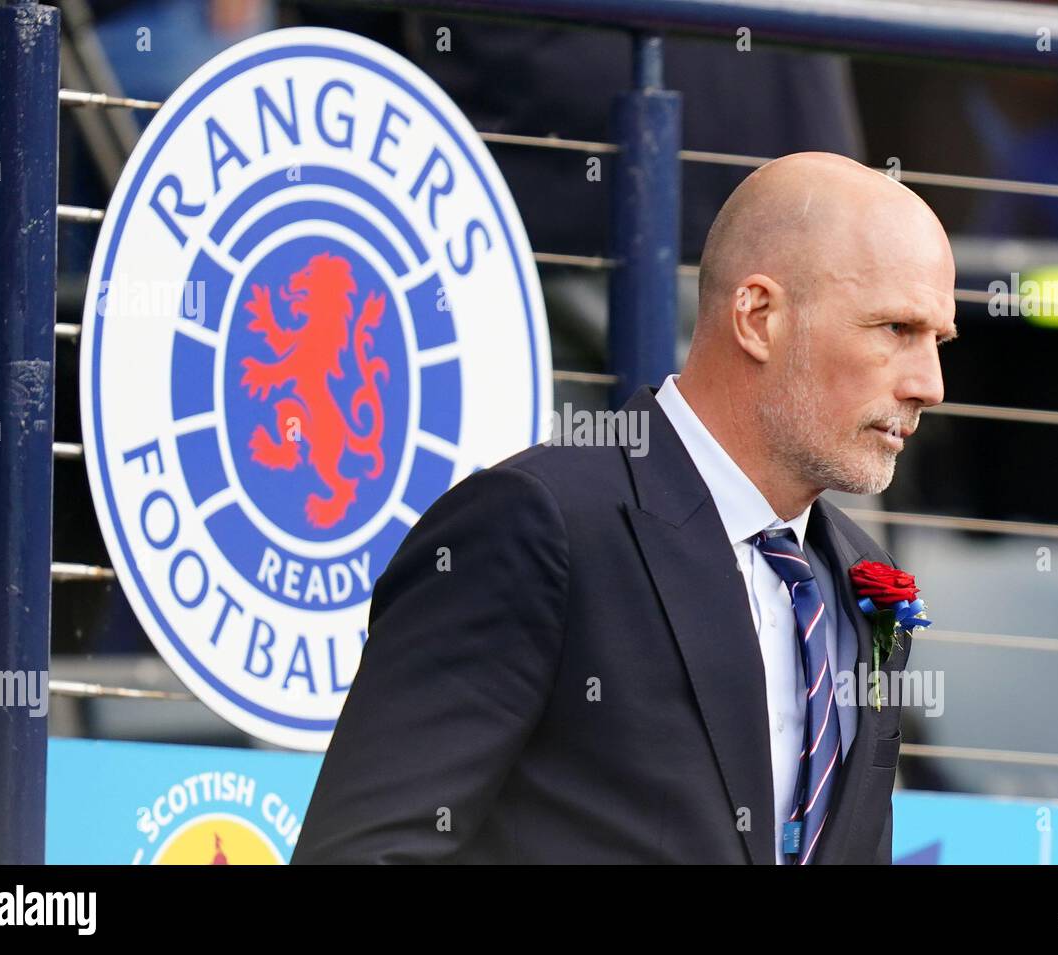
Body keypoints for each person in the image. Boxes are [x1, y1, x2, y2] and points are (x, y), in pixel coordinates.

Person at [292, 152, 957, 864]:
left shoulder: (864, 580)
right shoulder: (539, 525)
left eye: (938, 342)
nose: (931, 384)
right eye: (896, 330)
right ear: (759, 316)